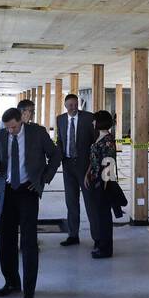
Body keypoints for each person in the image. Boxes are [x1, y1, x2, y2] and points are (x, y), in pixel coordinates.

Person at [0, 107, 59, 298]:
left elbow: (55, 155)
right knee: (5, 242)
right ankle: (11, 282)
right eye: (7, 128)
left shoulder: (38, 133)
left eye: (14, 127)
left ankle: (29, 290)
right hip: (7, 191)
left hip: (28, 190)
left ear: (21, 121)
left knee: (28, 242)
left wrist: (43, 179)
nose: (11, 131)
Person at [55, 92, 96, 246]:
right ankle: (73, 235)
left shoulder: (88, 118)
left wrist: (92, 165)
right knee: (71, 202)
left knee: (90, 202)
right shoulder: (60, 119)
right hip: (68, 166)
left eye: (75, 104)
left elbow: (95, 142)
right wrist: (56, 157)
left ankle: (97, 238)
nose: (73, 108)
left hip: (85, 167)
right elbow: (60, 140)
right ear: (65, 106)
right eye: (70, 105)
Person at [82, 111, 118, 258]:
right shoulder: (100, 138)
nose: (92, 123)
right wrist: (87, 174)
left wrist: (104, 185)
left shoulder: (108, 140)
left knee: (104, 216)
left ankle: (105, 249)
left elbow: (109, 163)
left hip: (102, 183)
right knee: (98, 214)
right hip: (95, 179)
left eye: (94, 120)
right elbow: (95, 159)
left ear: (100, 122)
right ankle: (101, 244)